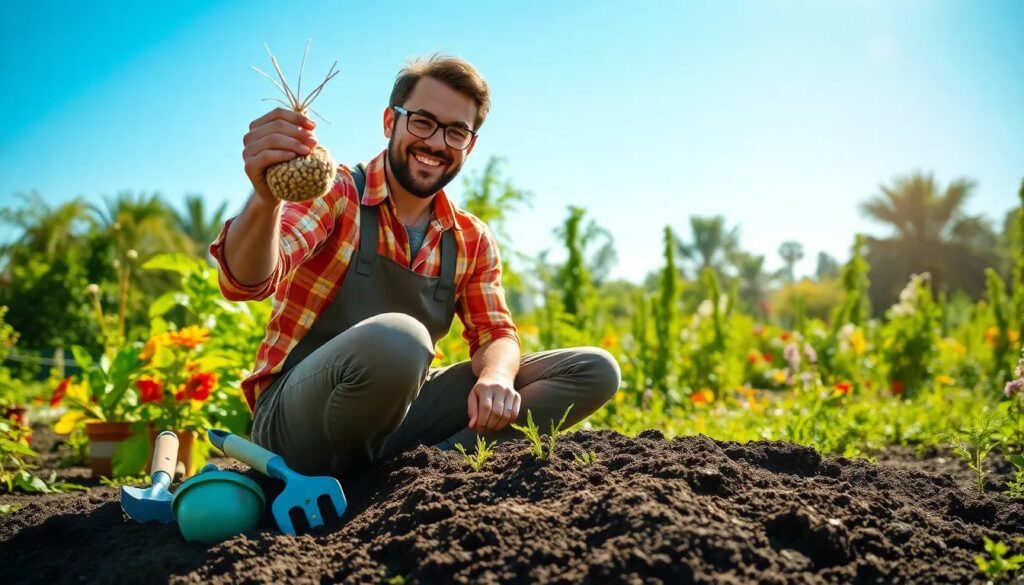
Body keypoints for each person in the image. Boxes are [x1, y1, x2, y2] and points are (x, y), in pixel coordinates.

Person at [209, 54, 620, 476]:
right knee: (401, 338)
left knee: (593, 370)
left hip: (394, 422)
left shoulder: (469, 238)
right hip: (295, 424)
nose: (437, 143)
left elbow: (495, 332)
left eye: (456, 132)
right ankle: (354, 475)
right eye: (422, 122)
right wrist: (266, 199)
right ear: (391, 122)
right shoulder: (337, 194)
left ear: (469, 146)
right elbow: (247, 281)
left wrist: (496, 376)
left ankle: (426, 471)